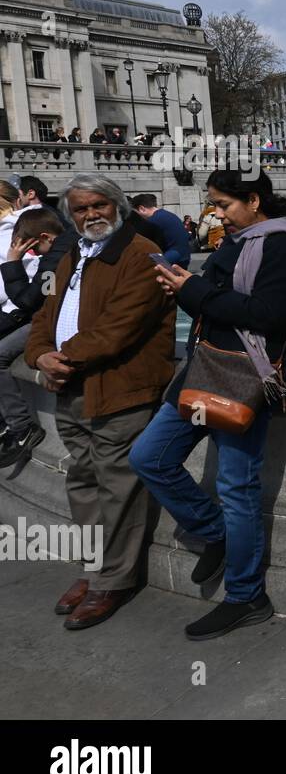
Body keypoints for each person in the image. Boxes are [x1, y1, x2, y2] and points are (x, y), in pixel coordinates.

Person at [130, 169, 286, 640]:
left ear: (253, 199)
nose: (216, 213)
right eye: (214, 205)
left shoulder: (280, 244)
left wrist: (196, 289)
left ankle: (247, 596)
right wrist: (185, 289)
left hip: (248, 376)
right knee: (148, 457)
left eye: (223, 204)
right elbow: (212, 308)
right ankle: (217, 533)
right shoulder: (236, 241)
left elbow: (267, 316)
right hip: (205, 367)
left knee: (236, 486)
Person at [26, 173, 177, 629]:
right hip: (72, 384)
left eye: (99, 206)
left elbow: (117, 329)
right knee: (84, 482)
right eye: (80, 209)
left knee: (118, 488)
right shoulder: (71, 255)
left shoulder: (141, 257)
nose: (90, 215)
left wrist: (61, 358)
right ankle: (94, 571)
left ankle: (114, 580)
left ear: (118, 207)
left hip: (118, 386)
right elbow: (43, 312)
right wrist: (39, 355)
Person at [0, 206, 68, 466]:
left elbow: (28, 299)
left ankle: (21, 427)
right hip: (43, 318)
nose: (33, 254)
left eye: (33, 249)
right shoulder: (56, 252)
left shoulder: (55, 258)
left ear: (44, 237)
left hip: (46, 321)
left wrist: (13, 262)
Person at [129, 194, 192, 268]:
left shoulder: (153, 221)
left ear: (142, 208)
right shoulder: (168, 214)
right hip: (183, 256)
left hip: (172, 258)